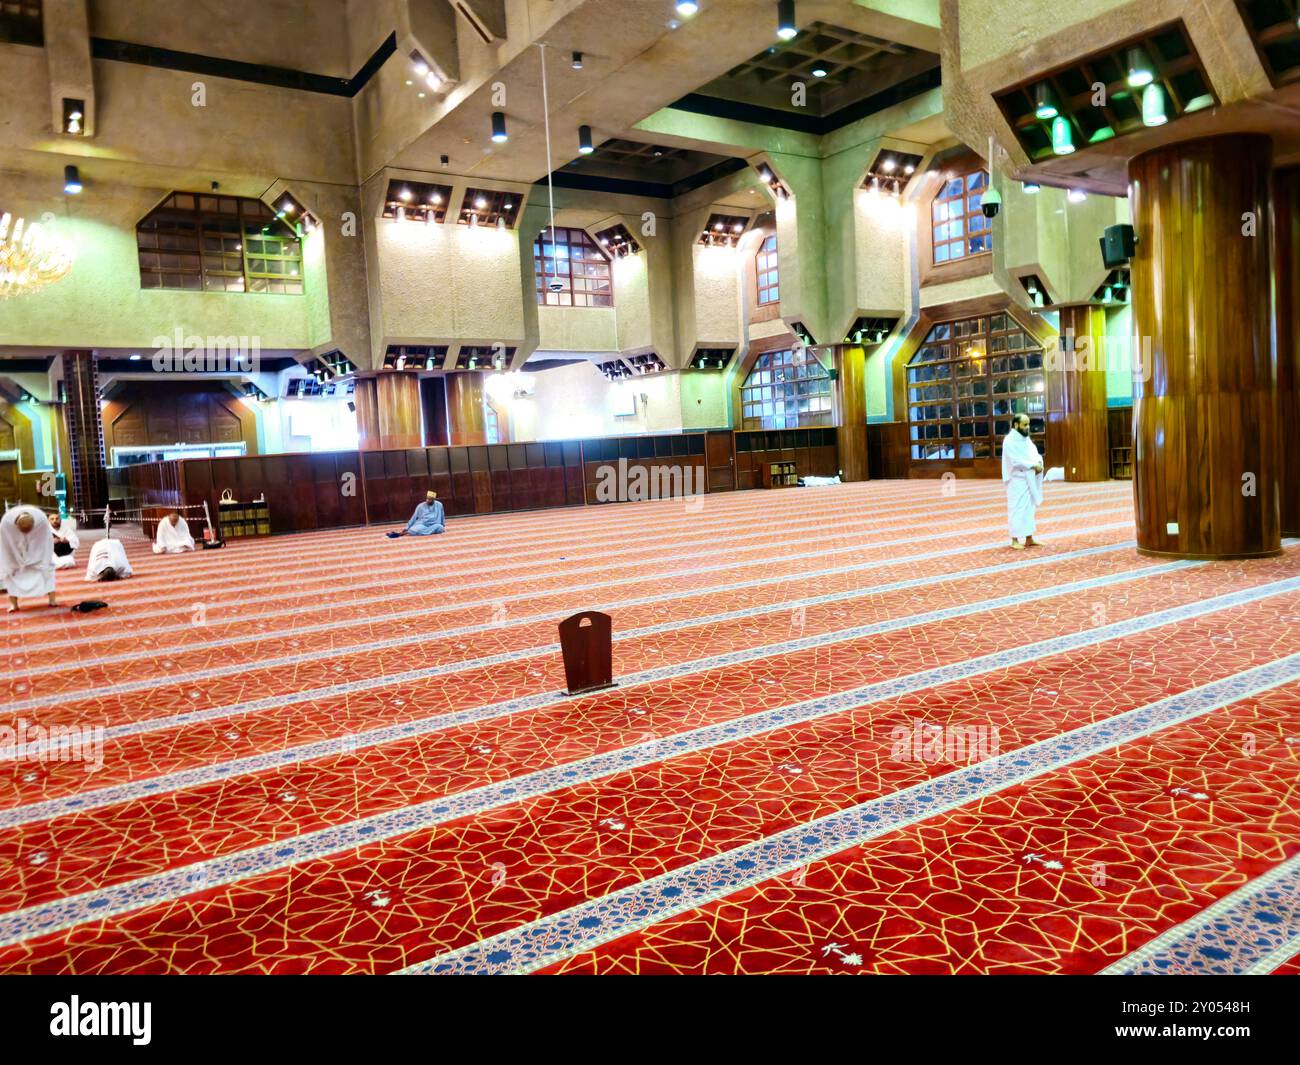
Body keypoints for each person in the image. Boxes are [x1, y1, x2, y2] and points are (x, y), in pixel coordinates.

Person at [1, 505, 57, 611]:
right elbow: (5, 546)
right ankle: (14, 604)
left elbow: (45, 543)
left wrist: (38, 559)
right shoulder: (6, 524)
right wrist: (14, 561)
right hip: (15, 555)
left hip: (37, 555)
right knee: (9, 572)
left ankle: (52, 600)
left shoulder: (41, 521)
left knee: (48, 569)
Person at [1002, 413, 1044, 550]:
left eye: (1028, 424)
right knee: (1017, 509)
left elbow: (1035, 453)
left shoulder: (1026, 440)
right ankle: (1014, 539)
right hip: (1016, 481)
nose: (1028, 427)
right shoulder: (1009, 441)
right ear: (1016, 425)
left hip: (1029, 479)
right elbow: (1015, 461)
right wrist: (1033, 465)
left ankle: (1029, 538)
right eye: (1025, 424)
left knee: (1029, 509)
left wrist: (1038, 462)